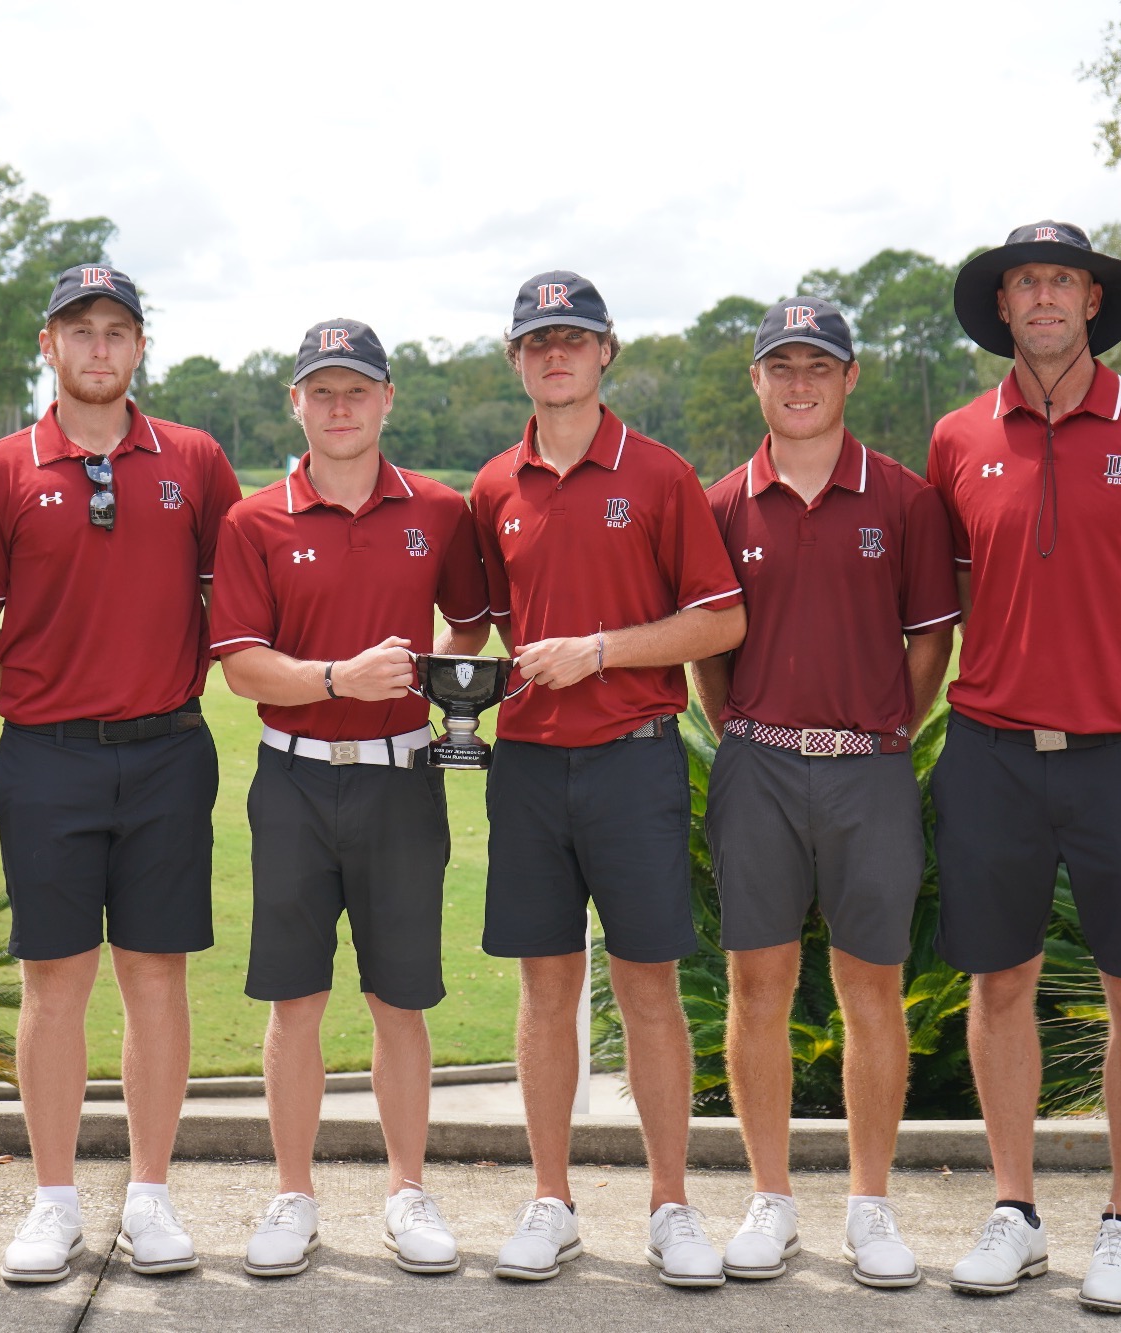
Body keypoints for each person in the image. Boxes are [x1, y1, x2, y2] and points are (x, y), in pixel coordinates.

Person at [927, 221, 1121, 1314]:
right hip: (991, 754)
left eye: (1064, 279)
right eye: (1026, 283)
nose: (1046, 298)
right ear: (1003, 308)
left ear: (1092, 302)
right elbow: (956, 589)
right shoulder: (957, 437)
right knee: (997, 980)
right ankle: (1012, 1212)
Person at [0, 263, 240, 1284]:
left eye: (118, 330)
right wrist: (38, 705)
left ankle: (149, 1197)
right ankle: (54, 1199)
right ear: (49, 346)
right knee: (54, 979)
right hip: (45, 757)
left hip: (168, 749)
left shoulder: (196, 461)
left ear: (139, 346)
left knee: (156, 975)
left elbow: (227, 603)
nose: (100, 349)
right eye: (81, 331)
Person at [469, 271, 746, 1288]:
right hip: (531, 767)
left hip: (633, 761)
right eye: (537, 340)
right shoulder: (493, 487)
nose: (556, 354)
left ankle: (670, 1205)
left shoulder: (662, 476)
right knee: (545, 992)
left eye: (573, 339)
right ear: (515, 360)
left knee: (648, 989)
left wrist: (600, 650)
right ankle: (551, 1199)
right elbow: (480, 625)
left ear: (604, 352)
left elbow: (719, 618)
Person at [208, 318, 490, 1278]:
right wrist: (339, 679)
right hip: (291, 778)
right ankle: (294, 1193)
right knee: (295, 998)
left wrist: (445, 687)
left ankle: (407, 1190)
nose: (339, 408)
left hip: (405, 776)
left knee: (398, 998)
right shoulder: (254, 519)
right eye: (320, 391)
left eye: (356, 391)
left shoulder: (441, 512)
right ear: (295, 402)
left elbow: (474, 621)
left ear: (385, 402)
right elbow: (243, 668)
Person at [692, 296, 960, 1286]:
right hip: (756, 762)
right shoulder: (721, 505)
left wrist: (892, 726)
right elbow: (710, 650)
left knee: (869, 985)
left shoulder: (902, 498)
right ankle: (770, 1199)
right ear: (755, 381)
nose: (798, 383)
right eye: (780, 367)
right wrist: (742, 730)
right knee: (755, 983)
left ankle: (869, 1205)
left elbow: (929, 635)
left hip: (870, 766)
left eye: (818, 366)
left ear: (850, 378)